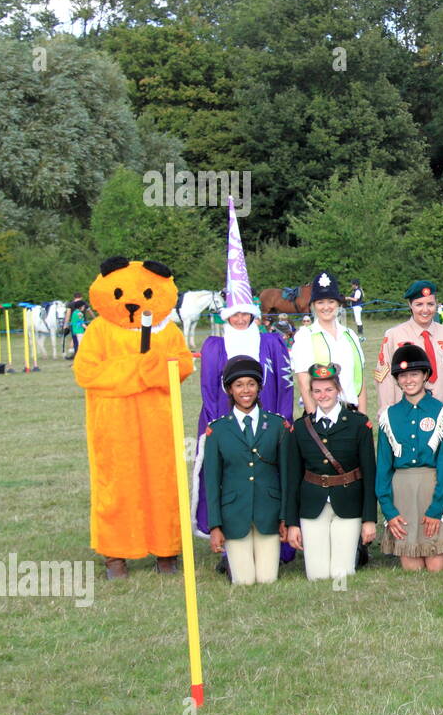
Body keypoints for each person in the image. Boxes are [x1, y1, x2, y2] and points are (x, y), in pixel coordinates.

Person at [74, 257, 195, 579]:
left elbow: (182, 365)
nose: (131, 302)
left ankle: (166, 550)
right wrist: (139, 370)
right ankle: (116, 553)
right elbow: (86, 372)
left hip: (158, 422)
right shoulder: (100, 330)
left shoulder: (167, 330)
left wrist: (155, 368)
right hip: (113, 424)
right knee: (118, 484)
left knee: (162, 482)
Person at [193, 203, 292, 539]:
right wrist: (224, 428)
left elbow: (286, 383)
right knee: (228, 477)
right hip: (226, 423)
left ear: (252, 314)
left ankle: (278, 541)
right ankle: (226, 536)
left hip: (268, 422)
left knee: (271, 477)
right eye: (234, 314)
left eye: (244, 314)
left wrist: (281, 421)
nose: (239, 319)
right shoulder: (215, 347)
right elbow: (210, 390)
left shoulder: (272, 343)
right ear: (227, 316)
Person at [283, 363, 377, 581]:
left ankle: (342, 608)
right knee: (316, 575)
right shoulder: (300, 429)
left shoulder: (358, 424)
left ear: (338, 390)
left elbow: (369, 474)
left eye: (328, 389)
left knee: (341, 574)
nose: (323, 395)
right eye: (317, 390)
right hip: (312, 505)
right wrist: (292, 523)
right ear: (310, 393)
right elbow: (293, 478)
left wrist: (369, 519)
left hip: (348, 503)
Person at [202, 355, 290, 586]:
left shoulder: (277, 425)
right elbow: (211, 482)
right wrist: (215, 526)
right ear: (229, 390)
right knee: (244, 581)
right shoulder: (217, 430)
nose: (245, 390)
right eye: (238, 385)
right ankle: (232, 562)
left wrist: (284, 517)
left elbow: (287, 478)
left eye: (251, 384)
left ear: (259, 387)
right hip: (234, 515)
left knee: (267, 578)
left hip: (268, 513)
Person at [374, 343, 443, 572]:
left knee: (435, 567)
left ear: (425, 376)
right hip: (402, 492)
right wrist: (389, 511)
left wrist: (436, 509)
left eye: (414, 374)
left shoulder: (442, 412)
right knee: (412, 568)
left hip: (433, 489)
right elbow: (383, 467)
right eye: (402, 375)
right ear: (396, 379)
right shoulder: (389, 416)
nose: (408, 380)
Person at [375, 280, 443, 410]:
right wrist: (387, 408)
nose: (425, 310)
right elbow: (385, 377)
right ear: (410, 305)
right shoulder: (394, 336)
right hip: (408, 411)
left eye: (430, 304)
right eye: (419, 304)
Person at [291, 271, 366, 415]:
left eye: (331, 301)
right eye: (320, 302)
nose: (326, 307)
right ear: (313, 305)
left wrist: (363, 419)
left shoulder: (350, 335)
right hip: (321, 415)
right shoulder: (305, 336)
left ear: (338, 303)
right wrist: (315, 424)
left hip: (352, 414)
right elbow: (304, 384)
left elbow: (360, 381)